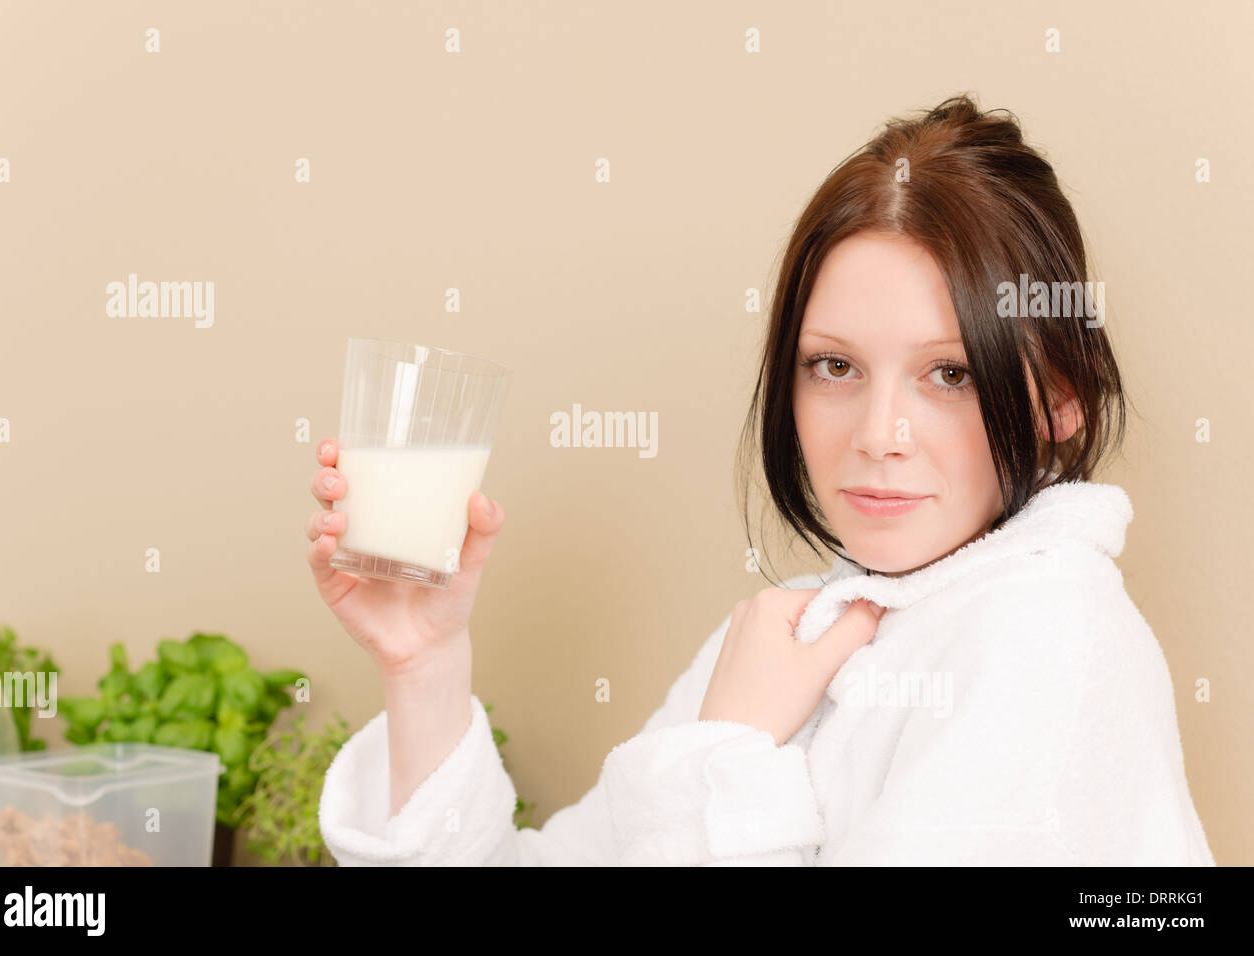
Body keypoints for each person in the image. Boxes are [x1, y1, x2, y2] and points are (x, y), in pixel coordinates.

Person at [308, 94, 1216, 866]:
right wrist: (423, 664)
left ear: (1062, 401)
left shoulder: (1049, 639)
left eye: (951, 375)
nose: (877, 437)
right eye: (834, 367)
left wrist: (730, 750)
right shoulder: (799, 630)